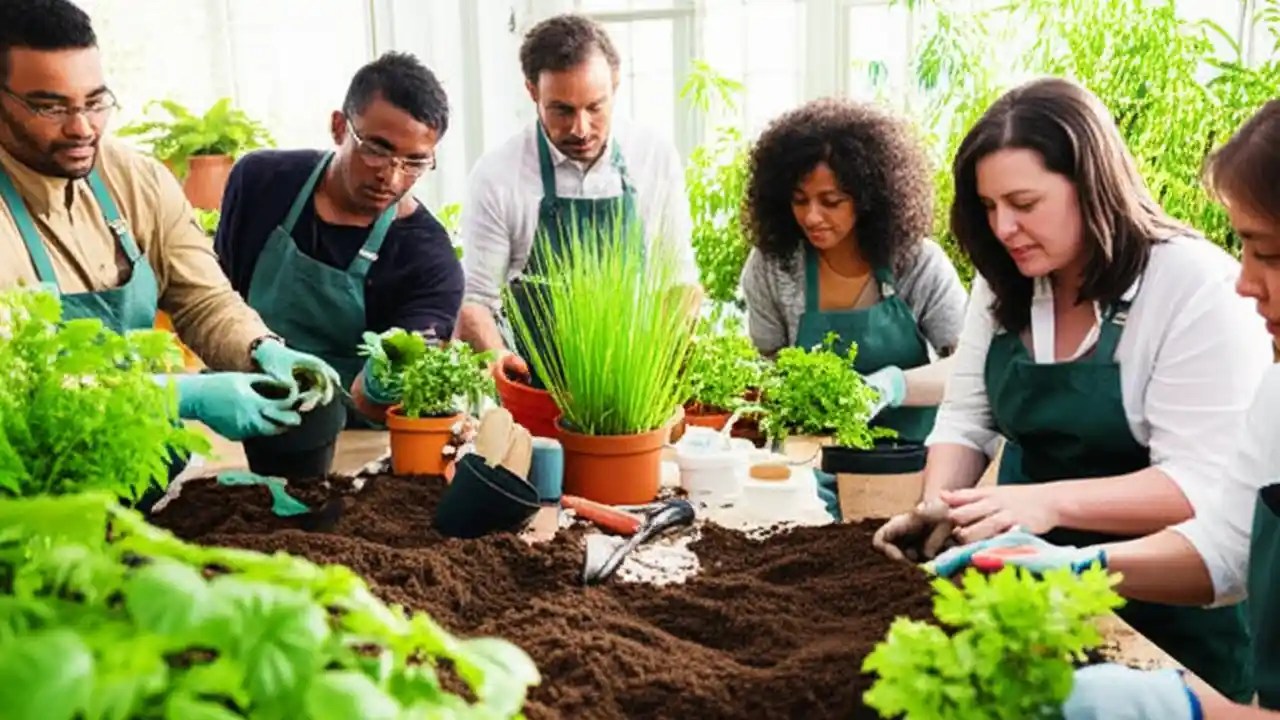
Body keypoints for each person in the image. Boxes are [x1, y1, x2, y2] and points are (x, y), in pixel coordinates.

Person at [869, 77, 1273, 701]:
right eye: (988, 207)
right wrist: (941, 514)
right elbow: (967, 415)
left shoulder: (1192, 287)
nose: (1004, 227)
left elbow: (1202, 487)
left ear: (1090, 185)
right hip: (1025, 597)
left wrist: (1048, 507)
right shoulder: (1006, 281)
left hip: (1167, 619)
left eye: (1024, 203)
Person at [0, 1, 338, 482]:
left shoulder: (137, 180)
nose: (82, 128)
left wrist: (261, 347)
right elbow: (23, 389)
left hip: (144, 468)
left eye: (95, 102)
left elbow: (204, 300)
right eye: (51, 107)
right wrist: (184, 395)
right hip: (37, 494)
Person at [215, 51, 464, 425]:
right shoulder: (261, 182)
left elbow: (385, 394)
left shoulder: (427, 258)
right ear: (338, 127)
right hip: (244, 408)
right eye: (377, 150)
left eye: (414, 162)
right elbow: (219, 300)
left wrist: (389, 379)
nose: (392, 178)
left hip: (352, 432)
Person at [455, 13, 700, 386]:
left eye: (595, 107)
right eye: (562, 110)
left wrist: (662, 364)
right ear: (532, 92)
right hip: (535, 387)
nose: (581, 128)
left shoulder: (654, 157)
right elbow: (476, 300)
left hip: (631, 388)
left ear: (615, 86)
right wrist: (496, 355)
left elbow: (680, 280)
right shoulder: (497, 175)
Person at [740, 97, 967, 442]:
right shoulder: (774, 266)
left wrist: (893, 386)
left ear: (869, 198)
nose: (812, 216)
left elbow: (970, 369)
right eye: (799, 200)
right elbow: (766, 366)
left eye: (831, 202)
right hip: (809, 459)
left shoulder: (916, 263)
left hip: (909, 457)